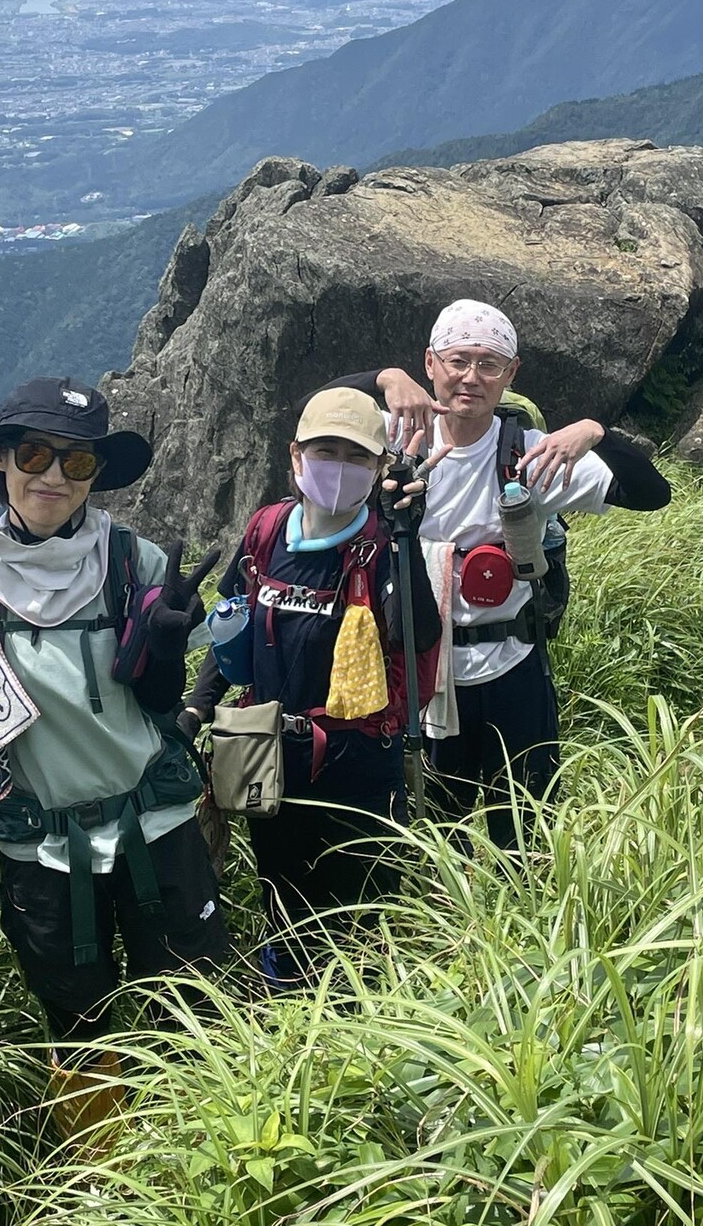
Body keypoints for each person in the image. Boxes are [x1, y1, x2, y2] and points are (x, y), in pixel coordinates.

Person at [0, 376, 227, 1137]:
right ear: (0, 460)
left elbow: (156, 698)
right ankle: (104, 1179)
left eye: (77, 463)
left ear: (96, 476)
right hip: (41, 848)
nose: (52, 476)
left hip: (158, 823)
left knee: (197, 1004)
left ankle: (199, 1162)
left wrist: (171, 656)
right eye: (35, 454)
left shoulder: (136, 561)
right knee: (77, 1024)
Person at [329, 300, 672, 852]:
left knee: (527, 828)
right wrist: (384, 378)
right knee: (438, 832)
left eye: (490, 364)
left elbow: (653, 496)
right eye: (458, 360)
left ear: (511, 376)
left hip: (514, 665)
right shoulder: (390, 443)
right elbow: (310, 414)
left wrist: (594, 431)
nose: (471, 377)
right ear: (431, 363)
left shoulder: (533, 456)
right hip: (420, 670)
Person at [180, 387, 444, 989]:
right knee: (281, 895)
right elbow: (233, 625)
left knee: (358, 912)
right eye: (327, 452)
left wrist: (406, 539)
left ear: (379, 469)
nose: (340, 470)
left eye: (358, 458)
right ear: (295, 456)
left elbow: (417, 633)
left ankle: (355, 1033)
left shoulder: (382, 543)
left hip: (358, 764)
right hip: (270, 754)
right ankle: (286, 1014)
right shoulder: (267, 531)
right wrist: (198, 705)